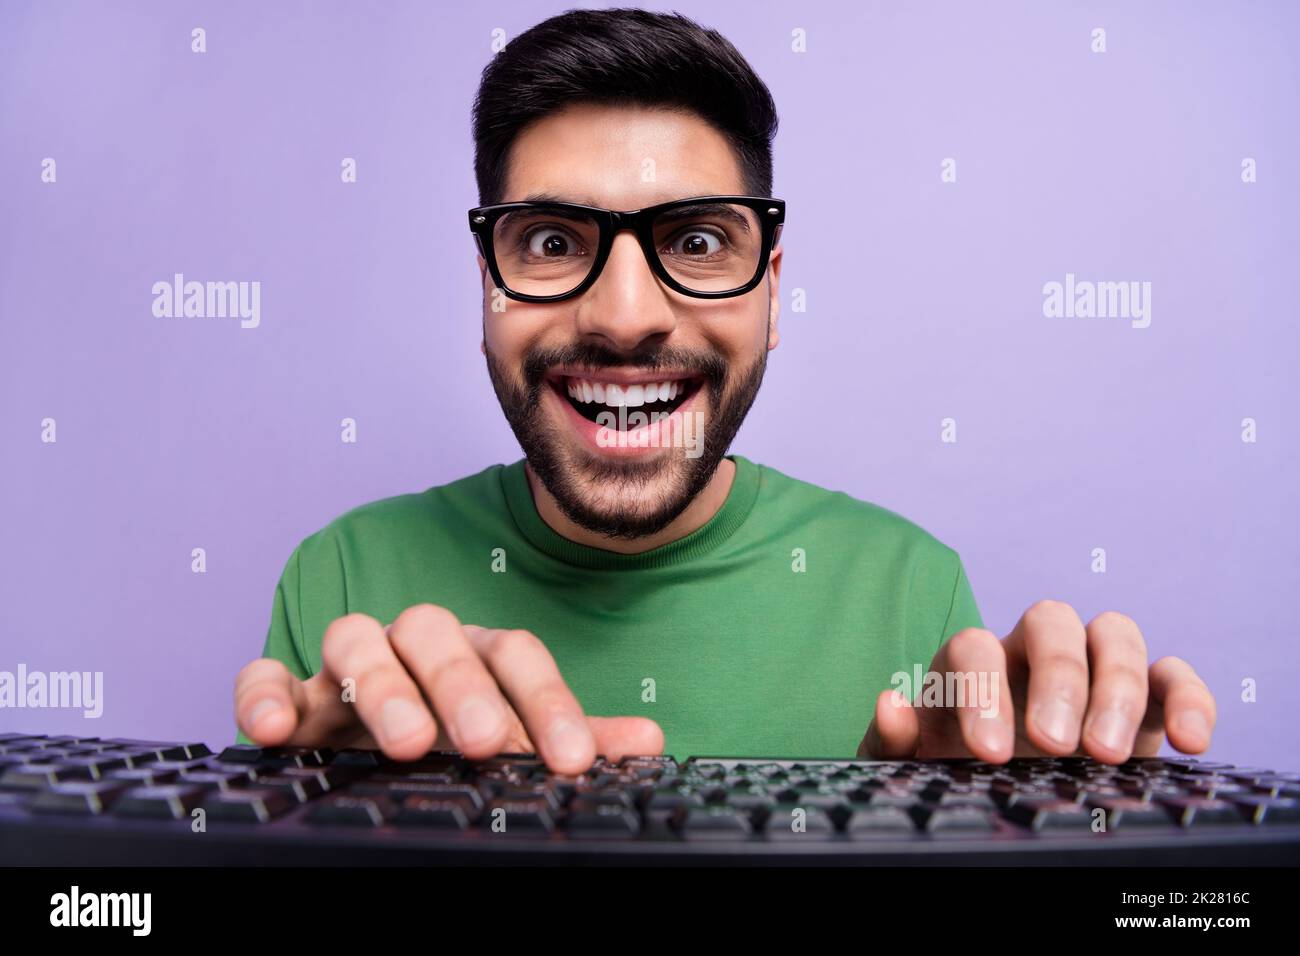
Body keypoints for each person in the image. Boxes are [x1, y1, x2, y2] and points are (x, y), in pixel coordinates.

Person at [233, 8, 1216, 774]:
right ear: (486, 283)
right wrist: (318, 819)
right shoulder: (341, 576)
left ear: (772, 291)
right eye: (549, 241)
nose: (624, 317)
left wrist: (951, 833)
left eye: (697, 242)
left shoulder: (911, 585)